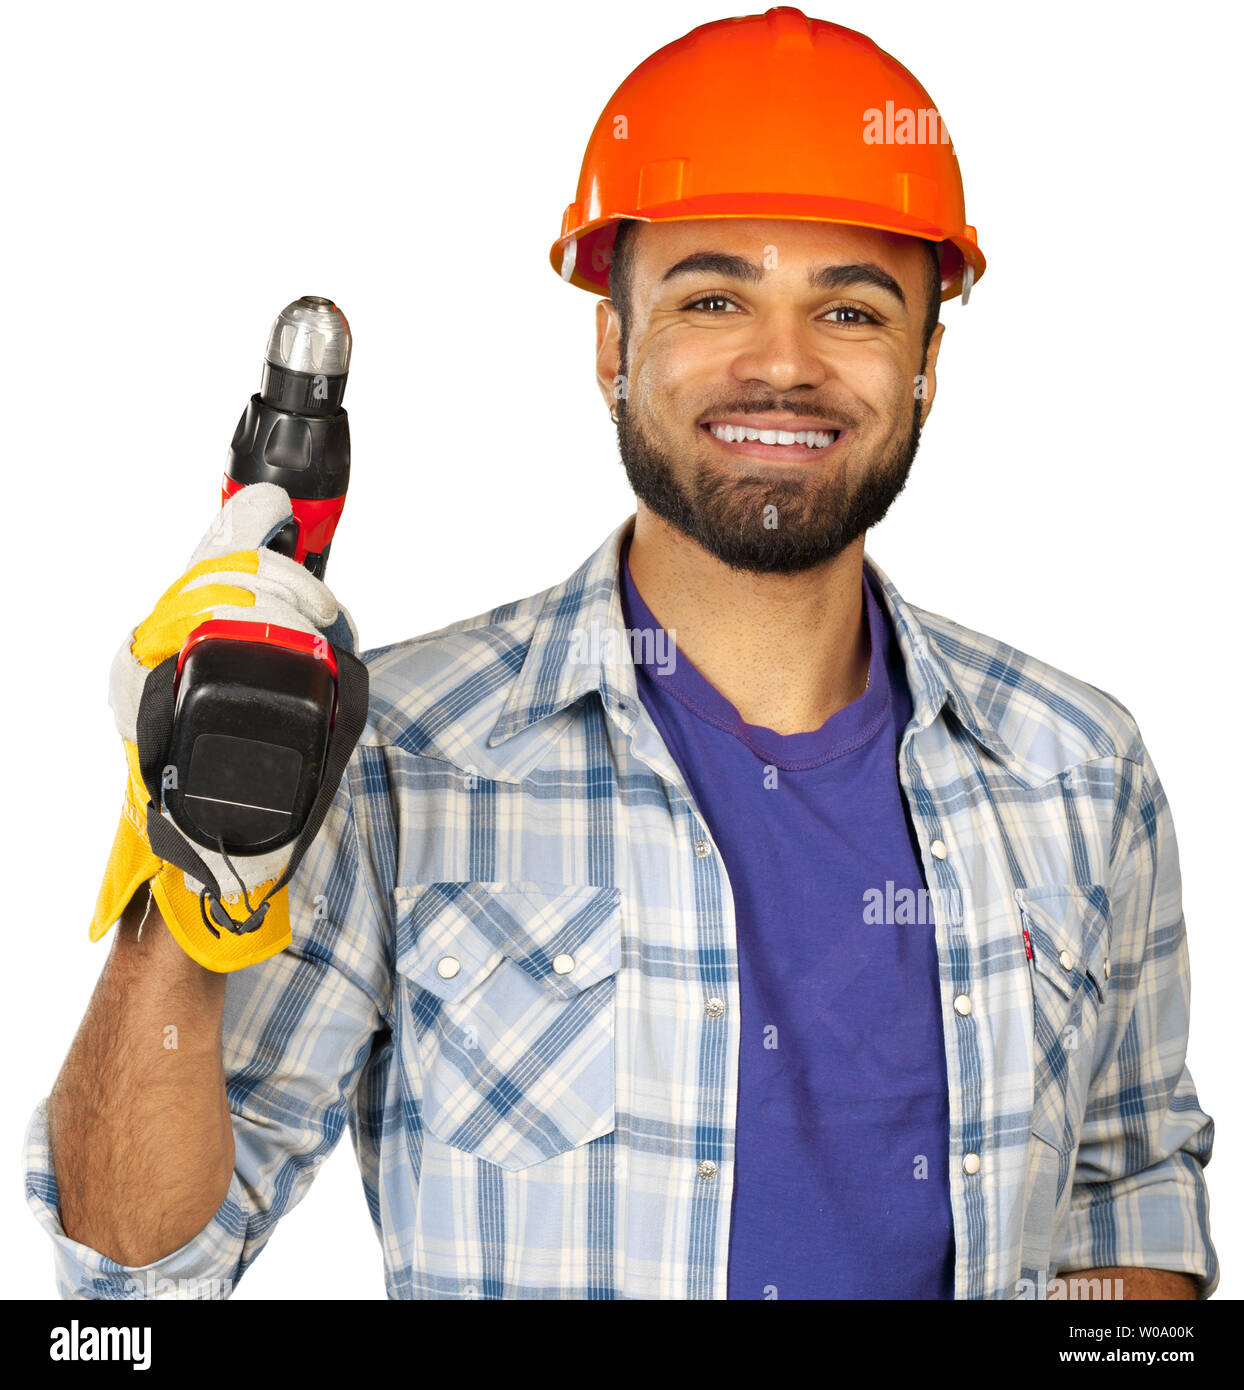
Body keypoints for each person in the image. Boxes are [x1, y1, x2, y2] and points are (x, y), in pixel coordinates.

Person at [26, 7, 1216, 1300]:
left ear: (929, 358)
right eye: (714, 296)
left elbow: (1125, 1197)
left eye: (854, 309)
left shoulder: (1080, 772)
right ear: (612, 343)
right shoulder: (401, 763)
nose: (781, 363)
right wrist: (189, 889)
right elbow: (130, 1282)